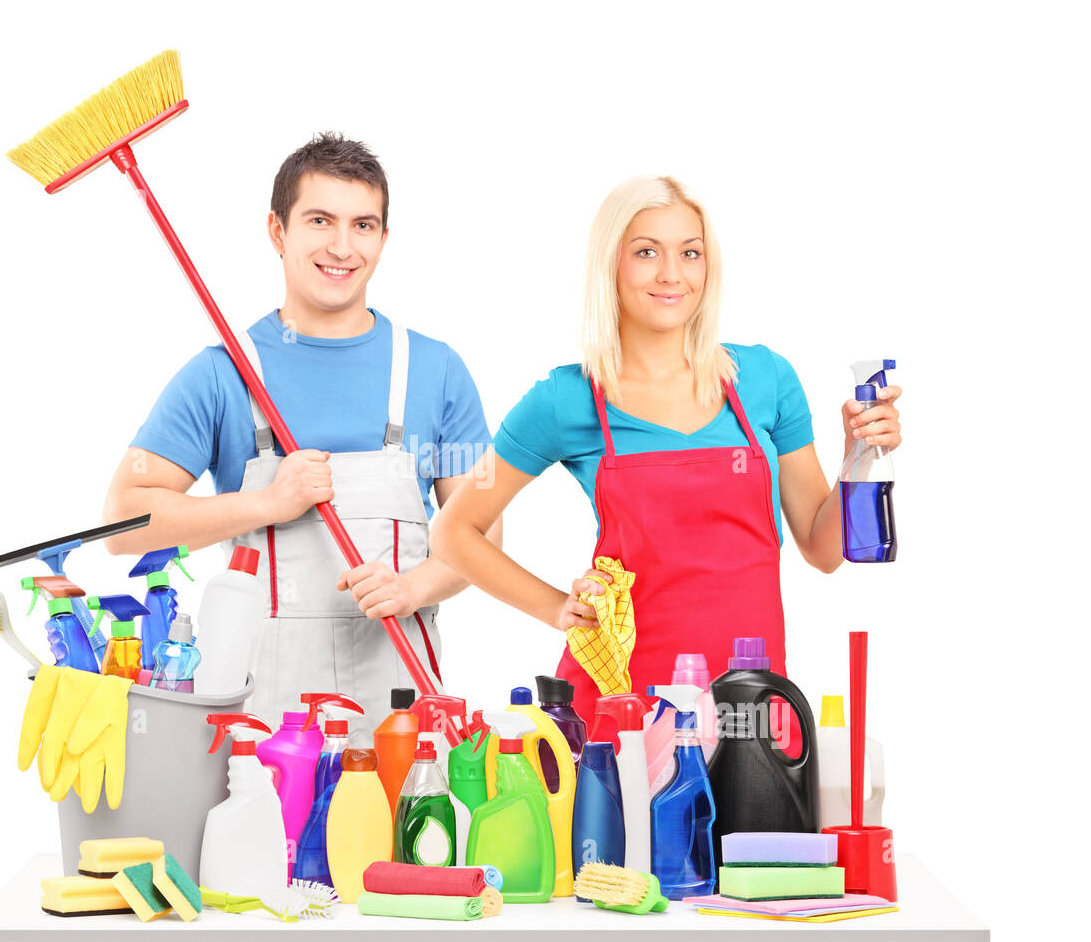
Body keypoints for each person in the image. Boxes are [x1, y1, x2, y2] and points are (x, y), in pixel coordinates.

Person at [432, 174, 902, 740]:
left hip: (750, 704)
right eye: (646, 252)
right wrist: (558, 609)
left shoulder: (764, 380)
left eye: (690, 253)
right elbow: (454, 532)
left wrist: (857, 457)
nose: (671, 274)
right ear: (612, 264)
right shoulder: (566, 398)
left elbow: (824, 551)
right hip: (623, 707)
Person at [104, 133, 498, 734]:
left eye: (364, 225)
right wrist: (267, 503)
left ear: (384, 239)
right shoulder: (223, 374)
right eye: (320, 220)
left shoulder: (436, 371)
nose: (342, 246)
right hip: (260, 720)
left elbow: (485, 533)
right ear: (277, 230)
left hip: (403, 718)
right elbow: (123, 521)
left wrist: (413, 586)